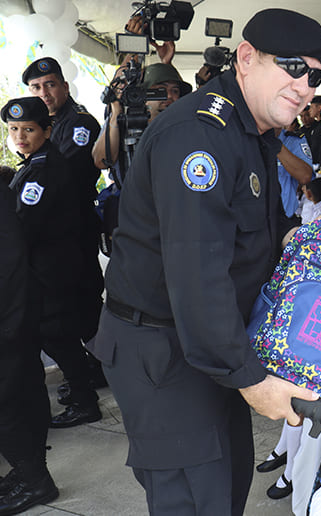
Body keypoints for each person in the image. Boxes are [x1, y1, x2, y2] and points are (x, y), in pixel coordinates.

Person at [86, 9, 321, 515]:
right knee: (195, 502)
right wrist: (252, 380)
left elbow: (257, 233)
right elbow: (197, 275)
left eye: (314, 76)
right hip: (166, 354)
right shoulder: (199, 135)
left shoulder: (251, 132)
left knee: (224, 489)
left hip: (211, 347)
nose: (304, 86)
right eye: (292, 67)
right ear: (246, 58)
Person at [23, 56, 105, 424]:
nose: (44, 93)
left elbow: (63, 175)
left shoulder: (79, 124)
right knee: (76, 310)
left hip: (74, 230)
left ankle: (101, 370)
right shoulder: (46, 125)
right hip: (60, 232)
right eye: (36, 88)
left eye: (50, 85)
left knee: (79, 307)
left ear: (64, 87)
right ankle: (94, 370)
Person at [0, 125, 58, 515]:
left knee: (9, 401)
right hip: (15, 313)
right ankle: (28, 470)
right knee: (24, 392)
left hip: (8, 315)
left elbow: (10, 264)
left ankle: (35, 480)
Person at [92, 62, 193, 172]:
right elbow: (101, 161)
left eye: (175, 91)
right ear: (143, 92)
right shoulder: (123, 120)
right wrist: (116, 113)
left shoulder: (182, 125)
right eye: (161, 89)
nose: (169, 96)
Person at [277, 119, 314, 220]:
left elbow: (305, 177)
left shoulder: (293, 140)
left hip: (284, 217)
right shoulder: (247, 140)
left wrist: (274, 142)